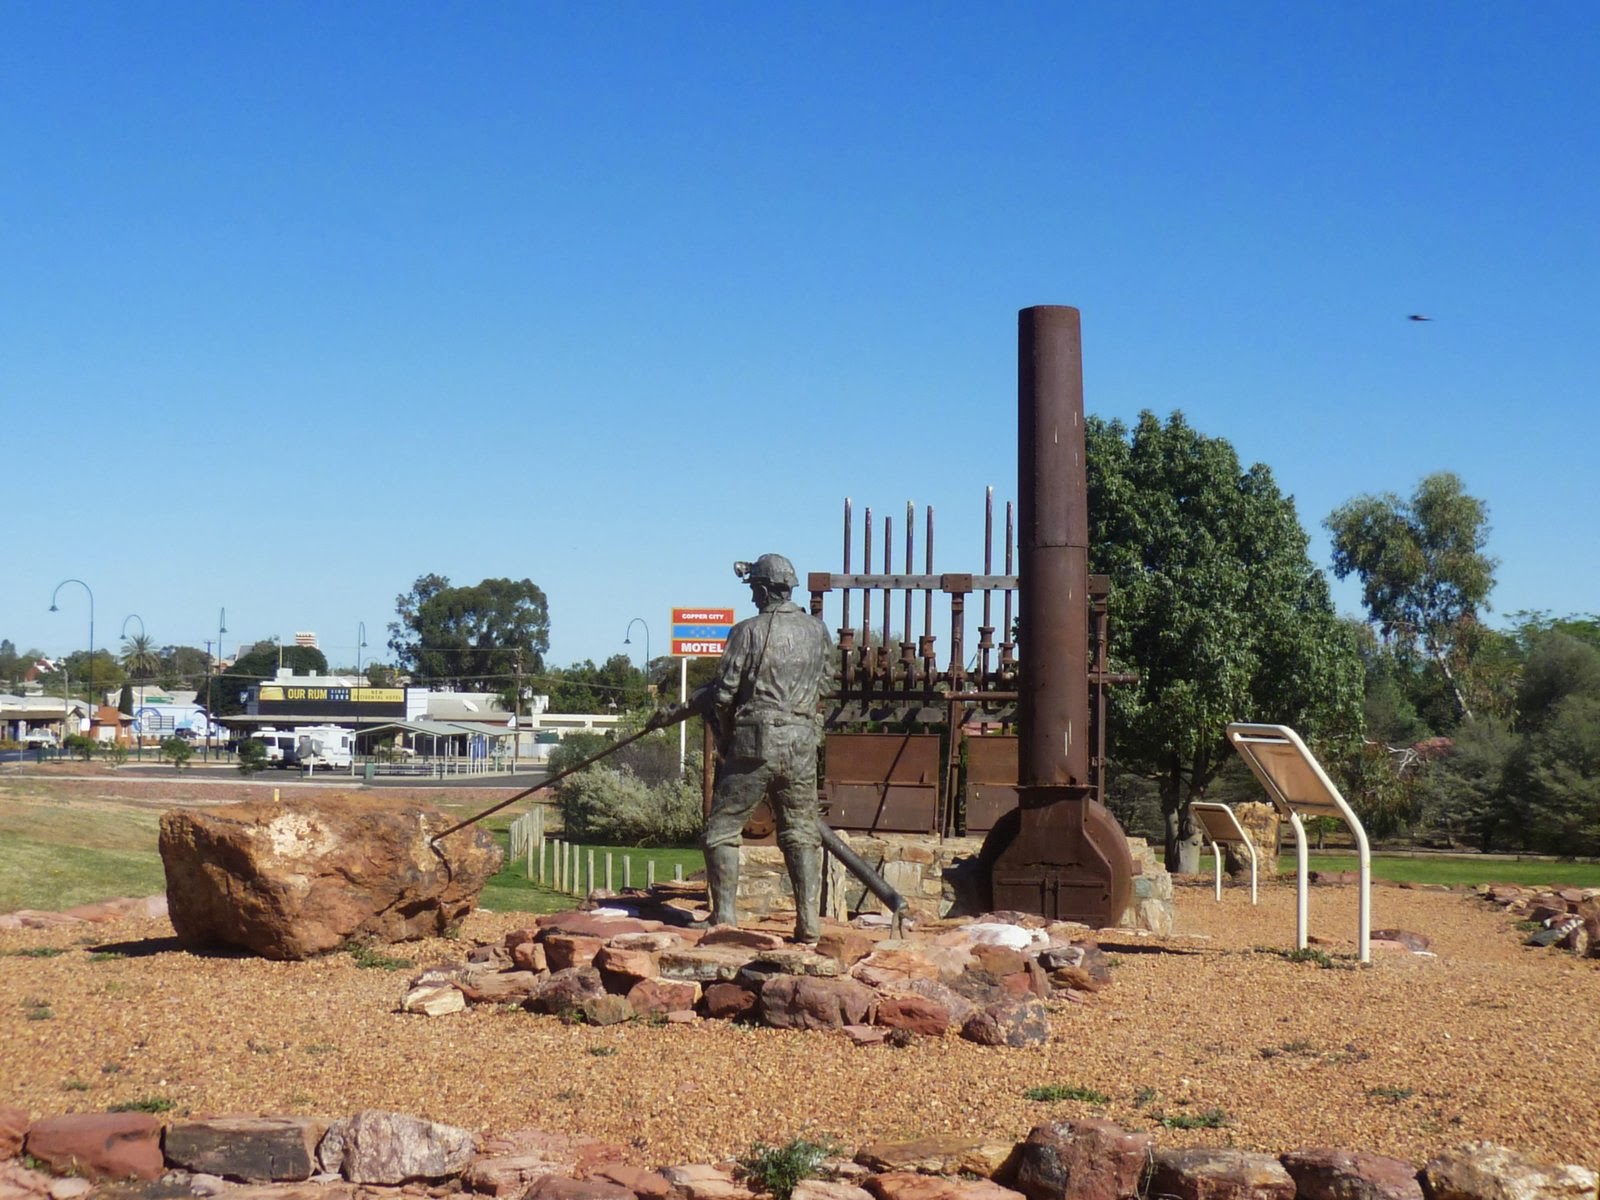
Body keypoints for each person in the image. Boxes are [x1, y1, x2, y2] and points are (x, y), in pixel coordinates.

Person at [646, 553, 830, 943]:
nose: (752, 599)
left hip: (755, 743)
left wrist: (692, 719)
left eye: (754, 591)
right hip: (801, 744)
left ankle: (724, 916)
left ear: (763, 589)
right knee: (800, 833)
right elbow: (825, 687)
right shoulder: (819, 632)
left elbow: (723, 694)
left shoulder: (747, 631)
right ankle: (809, 923)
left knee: (721, 831)